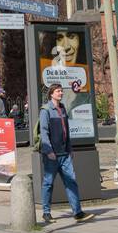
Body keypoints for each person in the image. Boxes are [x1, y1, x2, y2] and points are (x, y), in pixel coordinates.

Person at [39, 82, 89, 223]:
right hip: (52, 155)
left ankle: (77, 212)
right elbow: (44, 132)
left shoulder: (62, 108)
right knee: (48, 183)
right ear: (51, 94)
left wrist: (70, 148)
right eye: (58, 91)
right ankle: (46, 212)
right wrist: (48, 151)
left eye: (61, 91)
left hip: (65, 154)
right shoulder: (45, 110)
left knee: (71, 182)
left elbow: (66, 130)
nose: (61, 93)